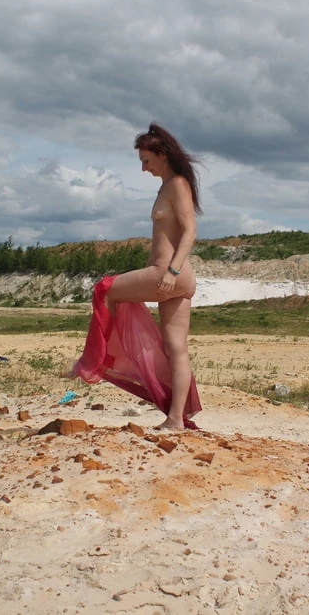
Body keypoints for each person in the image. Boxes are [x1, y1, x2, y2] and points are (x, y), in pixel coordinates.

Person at [72, 123, 202, 429]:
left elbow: (190, 231)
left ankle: (95, 363)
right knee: (176, 349)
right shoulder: (169, 185)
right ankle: (175, 419)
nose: (144, 169)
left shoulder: (177, 185)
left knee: (105, 289)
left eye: (146, 161)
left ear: (162, 154)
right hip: (175, 277)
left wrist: (170, 271)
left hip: (169, 273)